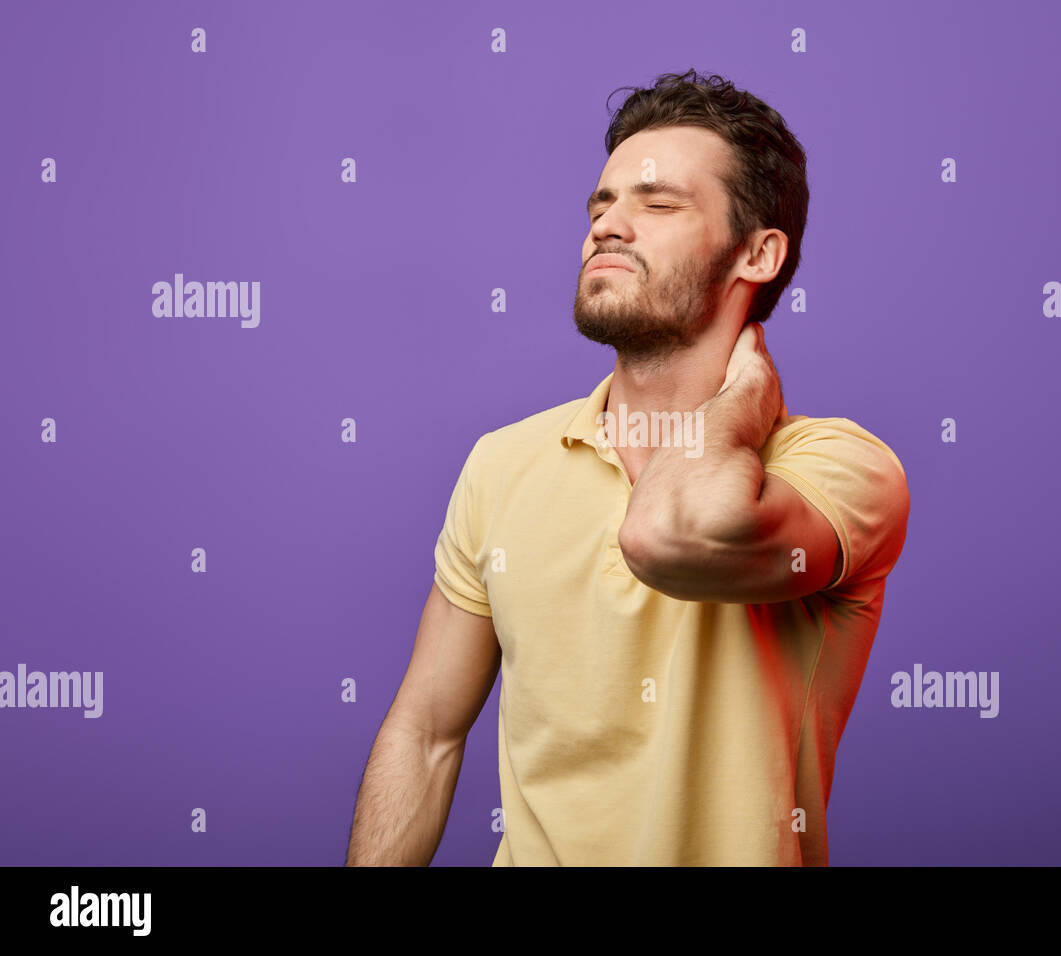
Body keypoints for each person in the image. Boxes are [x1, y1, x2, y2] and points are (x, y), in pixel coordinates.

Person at [346, 69, 910, 866]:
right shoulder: (502, 464)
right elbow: (426, 733)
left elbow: (666, 535)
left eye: (657, 204)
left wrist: (738, 408)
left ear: (758, 253)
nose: (608, 226)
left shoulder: (839, 469)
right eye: (601, 205)